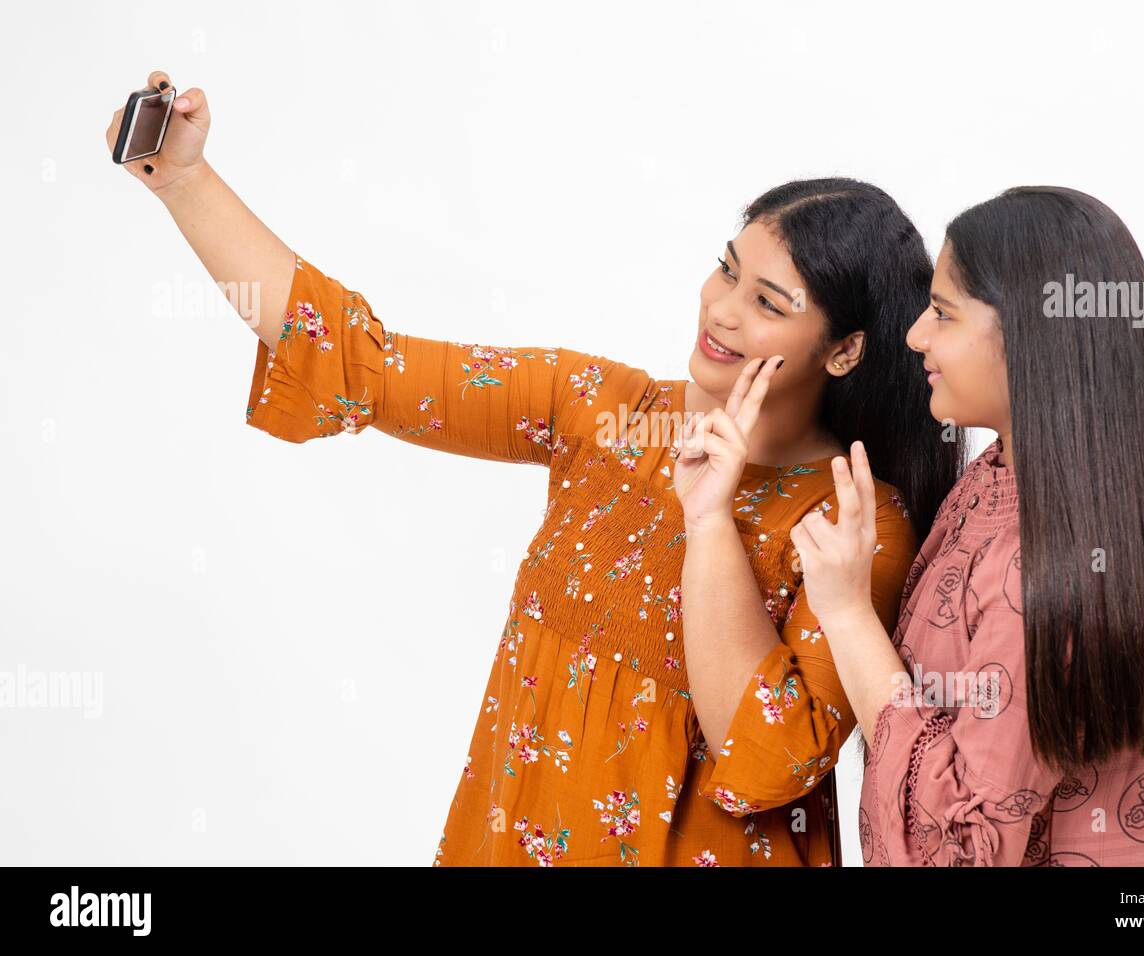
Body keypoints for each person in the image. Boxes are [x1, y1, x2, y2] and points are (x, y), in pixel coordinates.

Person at [107, 69, 963, 865]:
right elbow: (359, 363)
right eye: (727, 270)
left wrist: (709, 523)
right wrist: (185, 179)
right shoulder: (601, 407)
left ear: (845, 351)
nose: (722, 311)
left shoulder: (857, 523)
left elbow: (767, 760)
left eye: (769, 304)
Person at [706, 186, 1144, 866]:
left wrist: (847, 612)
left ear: (1032, 335)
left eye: (944, 314)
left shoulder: (1041, 570)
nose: (916, 335)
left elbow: (958, 855)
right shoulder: (1024, 486)